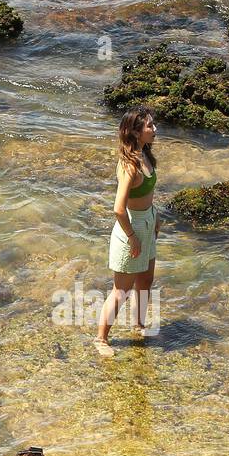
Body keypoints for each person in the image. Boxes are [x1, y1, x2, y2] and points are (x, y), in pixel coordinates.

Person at [94, 105, 158, 356]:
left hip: (148, 222)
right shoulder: (129, 165)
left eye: (153, 124)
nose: (155, 129)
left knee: (146, 280)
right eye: (150, 126)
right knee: (121, 291)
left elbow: (148, 194)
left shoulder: (146, 155)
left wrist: (156, 216)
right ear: (135, 132)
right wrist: (133, 238)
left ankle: (138, 325)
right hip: (131, 228)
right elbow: (118, 209)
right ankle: (101, 339)